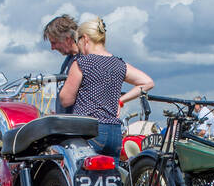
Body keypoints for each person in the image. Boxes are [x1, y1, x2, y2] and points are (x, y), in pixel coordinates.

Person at [58, 17, 153, 158]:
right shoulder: (118, 63)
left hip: (88, 131)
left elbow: (66, 100)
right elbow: (147, 82)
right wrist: (121, 100)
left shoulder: (82, 63)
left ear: (85, 39)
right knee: (111, 177)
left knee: (80, 176)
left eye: (78, 42)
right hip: (114, 133)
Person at [42, 14, 78, 114]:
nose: (52, 48)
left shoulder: (82, 60)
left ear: (67, 39)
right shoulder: (68, 61)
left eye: (54, 42)